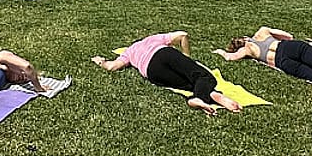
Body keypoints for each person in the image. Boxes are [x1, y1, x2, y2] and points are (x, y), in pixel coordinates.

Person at [91, 31, 242, 115]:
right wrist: (186, 58)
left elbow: (112, 67)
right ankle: (201, 96)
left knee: (189, 84)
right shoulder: (152, 39)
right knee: (203, 75)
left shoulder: (129, 52)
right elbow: (183, 35)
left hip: (152, 73)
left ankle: (209, 96)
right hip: (163, 54)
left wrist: (101, 62)